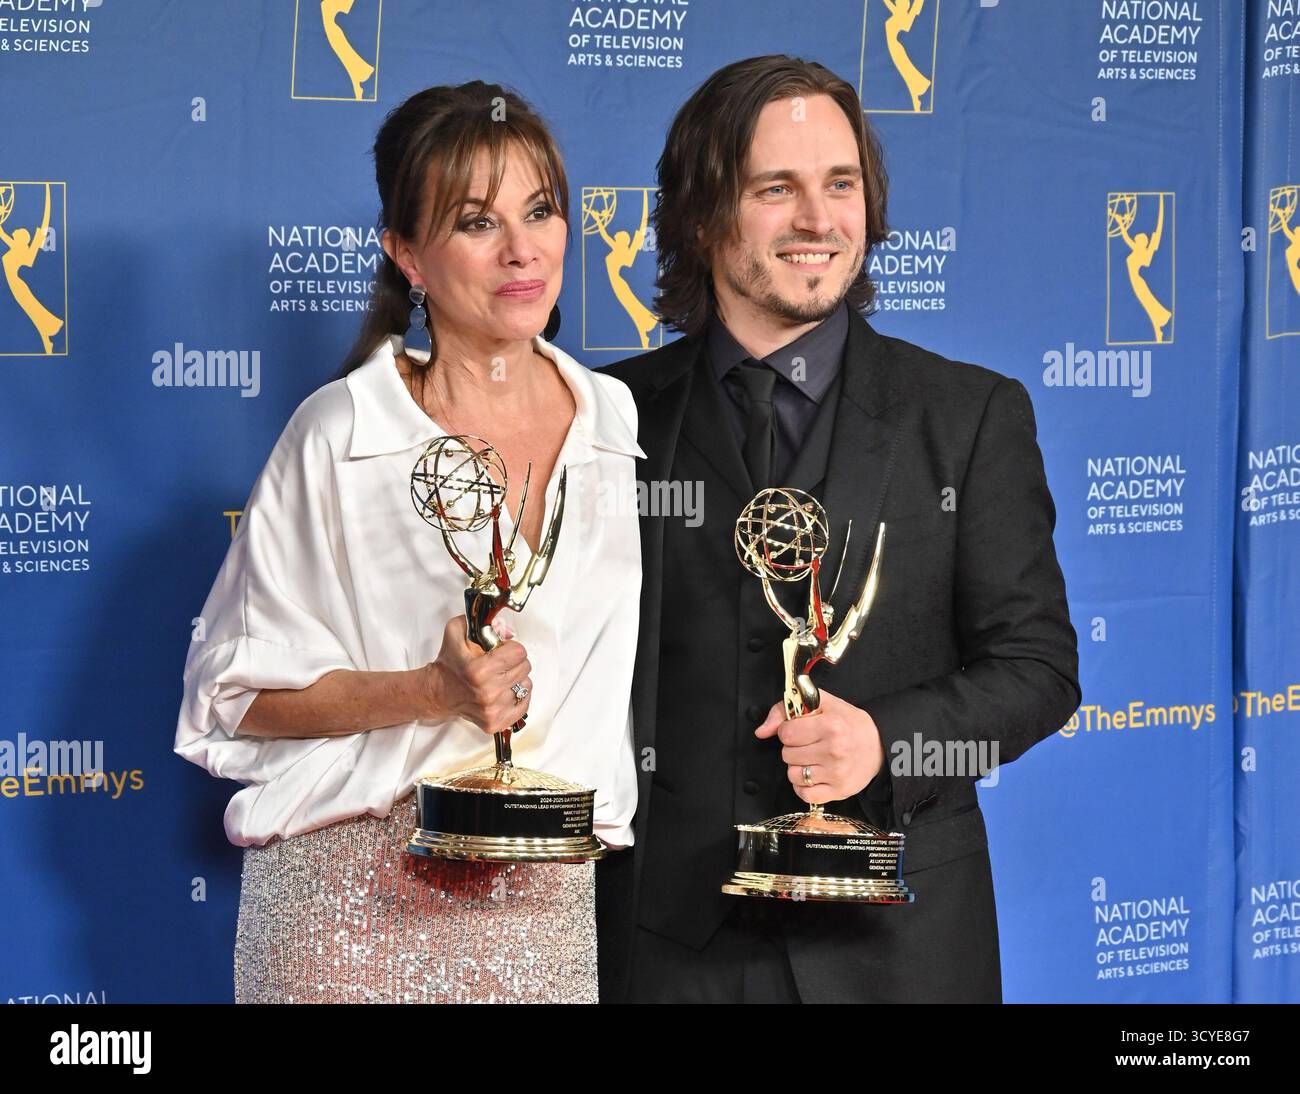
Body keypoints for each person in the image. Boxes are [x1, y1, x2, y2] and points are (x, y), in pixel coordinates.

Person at [596, 55, 1081, 1003]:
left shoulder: (969, 414)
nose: (819, 221)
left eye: (841, 185)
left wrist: (887, 745)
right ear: (702, 216)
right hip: (664, 952)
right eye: (777, 188)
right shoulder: (611, 416)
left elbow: (1038, 671)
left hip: (900, 954)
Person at [174, 82, 643, 1004]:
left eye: (539, 210)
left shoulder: (613, 420)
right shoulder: (341, 432)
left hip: (541, 906)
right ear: (407, 255)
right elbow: (234, 696)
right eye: (476, 221)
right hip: (352, 891)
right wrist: (430, 693)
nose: (523, 250)